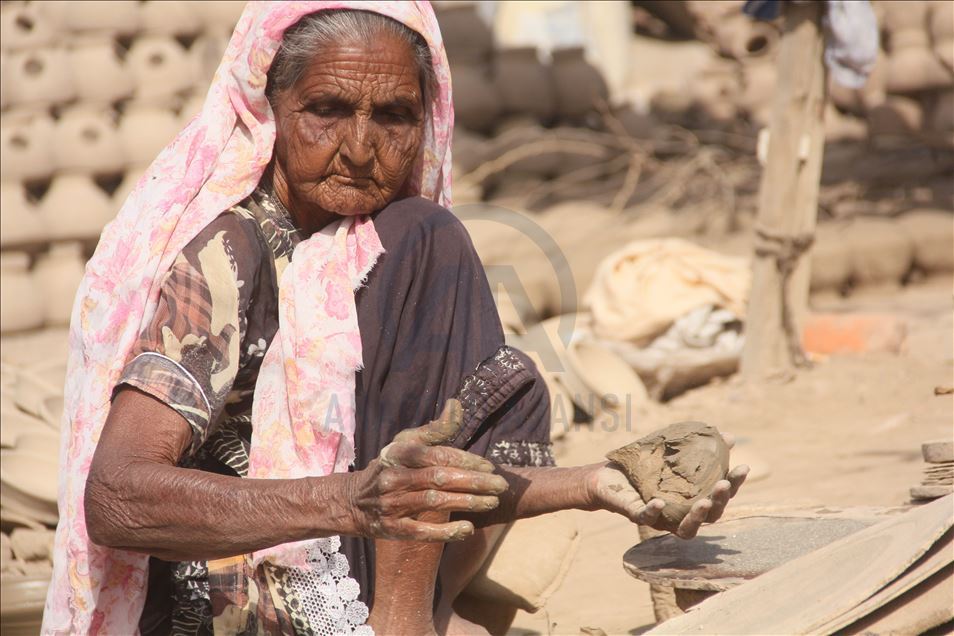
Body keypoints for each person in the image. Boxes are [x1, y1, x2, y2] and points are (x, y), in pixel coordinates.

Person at [43, 3, 748, 635]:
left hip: (336, 564)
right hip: (226, 599)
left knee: (511, 380)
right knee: (425, 239)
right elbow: (116, 496)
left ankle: (411, 615)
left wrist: (594, 484)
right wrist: (352, 501)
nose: (359, 147)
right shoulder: (232, 253)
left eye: (393, 117)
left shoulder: (364, 248)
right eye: (327, 108)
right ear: (270, 109)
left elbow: (411, 479)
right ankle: (404, 622)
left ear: (425, 121)